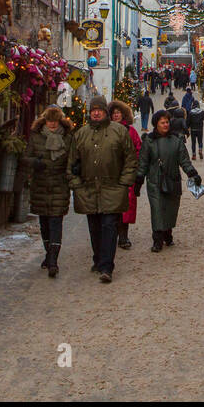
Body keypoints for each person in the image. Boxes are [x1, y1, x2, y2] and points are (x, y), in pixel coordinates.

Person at [69, 95, 138, 283]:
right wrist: (76, 183)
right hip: (89, 189)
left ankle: (107, 266)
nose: (96, 113)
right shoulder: (81, 134)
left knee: (109, 226)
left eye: (99, 110)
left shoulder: (119, 132)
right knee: (95, 227)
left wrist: (124, 182)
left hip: (113, 188)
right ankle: (98, 259)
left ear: (105, 112)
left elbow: (130, 159)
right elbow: (72, 162)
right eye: (93, 110)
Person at [136, 110, 201, 252]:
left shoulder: (176, 141)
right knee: (157, 209)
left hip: (172, 180)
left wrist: (192, 174)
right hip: (154, 181)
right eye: (162, 122)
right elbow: (143, 162)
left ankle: (168, 233)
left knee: (171, 209)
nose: (165, 125)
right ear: (156, 124)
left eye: (167, 122)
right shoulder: (149, 141)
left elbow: (184, 161)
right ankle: (157, 240)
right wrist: (139, 179)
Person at [23, 106, 73, 278]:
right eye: (49, 121)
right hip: (41, 185)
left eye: (55, 121)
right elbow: (26, 157)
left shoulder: (67, 137)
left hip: (59, 184)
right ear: (45, 121)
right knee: (44, 223)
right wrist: (35, 163)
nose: (52, 124)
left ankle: (53, 260)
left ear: (60, 121)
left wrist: (70, 176)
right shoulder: (36, 136)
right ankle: (48, 253)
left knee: (56, 222)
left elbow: (72, 159)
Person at [109, 99, 142, 250]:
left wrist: (134, 167)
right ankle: (111, 236)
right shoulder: (106, 131)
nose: (116, 116)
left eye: (118, 113)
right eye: (114, 113)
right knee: (111, 206)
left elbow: (138, 149)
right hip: (109, 174)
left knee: (126, 206)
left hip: (127, 174)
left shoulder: (131, 131)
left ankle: (123, 236)